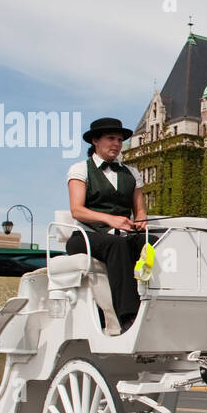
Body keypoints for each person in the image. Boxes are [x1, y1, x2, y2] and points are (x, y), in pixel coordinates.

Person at [66, 117, 147, 330]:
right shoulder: (80, 169)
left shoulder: (131, 173)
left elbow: (140, 212)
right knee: (117, 246)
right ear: (95, 141)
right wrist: (110, 219)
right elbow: (77, 210)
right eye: (111, 138)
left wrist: (140, 223)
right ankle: (128, 317)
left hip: (121, 235)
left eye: (120, 140)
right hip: (85, 236)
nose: (117, 144)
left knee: (158, 243)